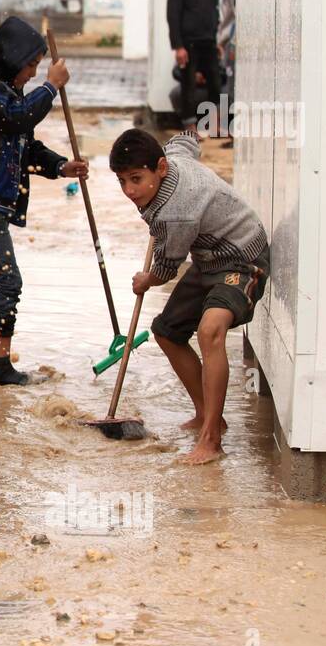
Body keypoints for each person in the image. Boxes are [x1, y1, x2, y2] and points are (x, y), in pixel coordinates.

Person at [110, 129, 270, 464]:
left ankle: (211, 440)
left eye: (136, 179)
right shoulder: (174, 156)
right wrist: (191, 130)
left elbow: (166, 268)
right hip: (208, 259)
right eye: (122, 181)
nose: (129, 191)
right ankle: (209, 415)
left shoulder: (176, 211)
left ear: (161, 168)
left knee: (211, 331)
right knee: (167, 332)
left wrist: (145, 280)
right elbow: (186, 140)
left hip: (243, 259)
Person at [0, 16, 86, 386]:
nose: (32, 73)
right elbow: (16, 120)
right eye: (31, 65)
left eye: (38, 68)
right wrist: (51, 87)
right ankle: (1, 369)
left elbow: (26, 146)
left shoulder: (8, 91)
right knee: (7, 283)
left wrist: (61, 166)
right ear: (12, 58)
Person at [166, 0, 221, 134]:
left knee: (215, 82)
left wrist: (218, 40)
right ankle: (190, 126)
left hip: (209, 42)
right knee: (188, 84)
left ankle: (214, 124)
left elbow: (215, 12)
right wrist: (178, 47)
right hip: (188, 44)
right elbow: (173, 17)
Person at [204, 0, 237, 146]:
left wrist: (228, 42)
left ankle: (234, 133)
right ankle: (228, 131)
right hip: (228, 44)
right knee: (228, 88)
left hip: (235, 44)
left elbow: (238, 19)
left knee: (233, 89)